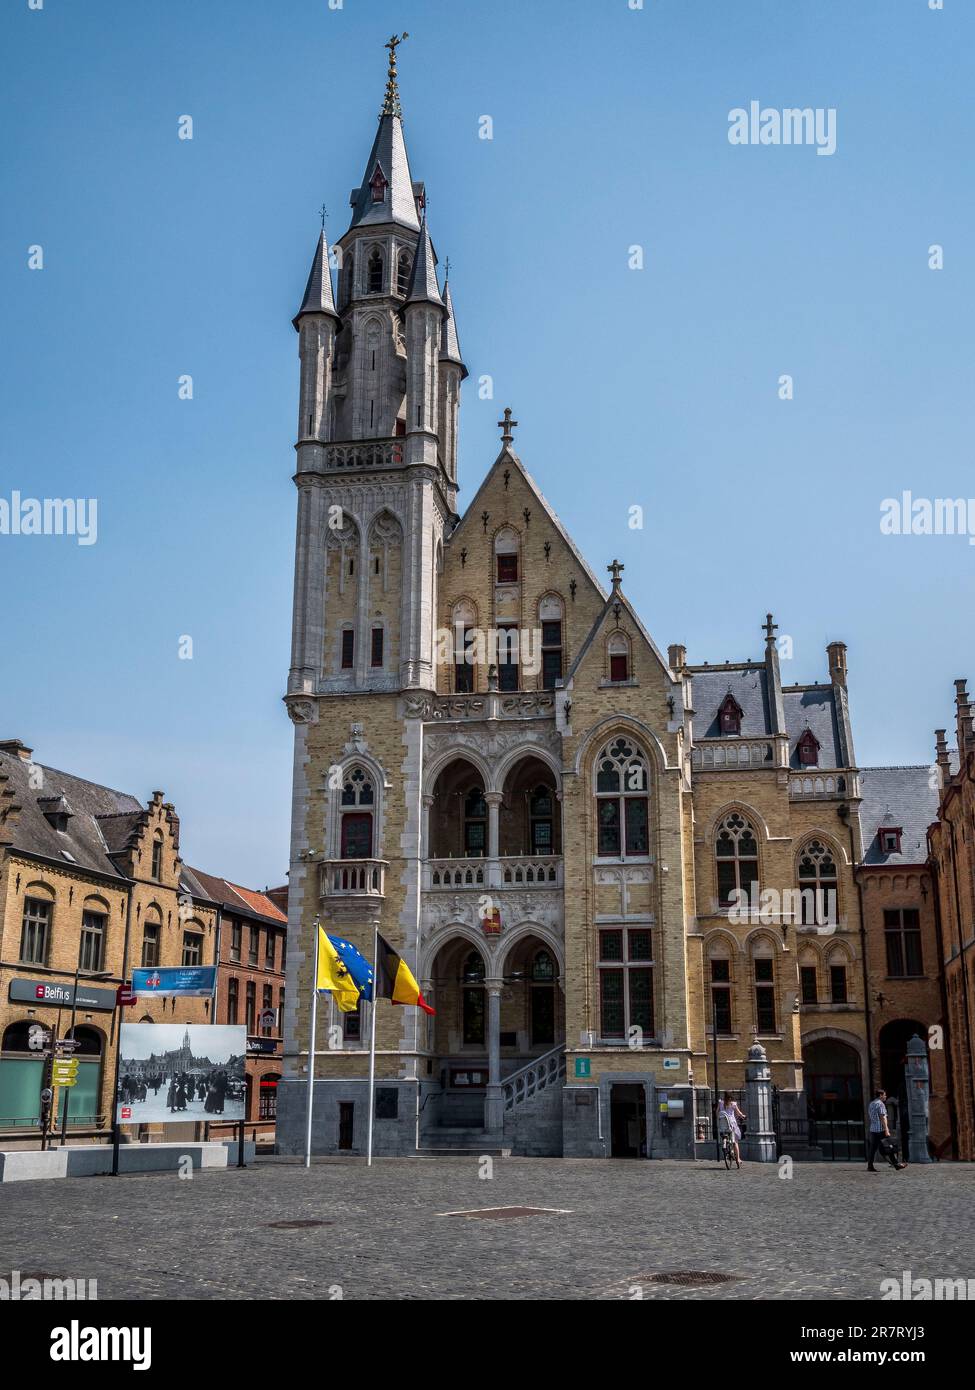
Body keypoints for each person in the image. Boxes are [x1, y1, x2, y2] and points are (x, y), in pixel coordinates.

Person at [867, 1089, 906, 1172]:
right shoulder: (880, 1104)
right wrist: (886, 1129)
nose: (885, 1096)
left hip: (873, 1129)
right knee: (889, 1147)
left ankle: (870, 1166)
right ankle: (896, 1164)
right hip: (881, 1129)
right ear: (880, 1095)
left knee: (873, 1149)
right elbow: (883, 1117)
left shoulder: (871, 1103)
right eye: (884, 1095)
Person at [717, 1092, 746, 1167]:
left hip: (723, 1124)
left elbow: (717, 1112)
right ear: (730, 1097)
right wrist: (743, 1116)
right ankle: (738, 1158)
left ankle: (726, 1146)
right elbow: (739, 1113)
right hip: (732, 1125)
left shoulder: (720, 1103)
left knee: (726, 1135)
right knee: (735, 1142)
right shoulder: (733, 1104)